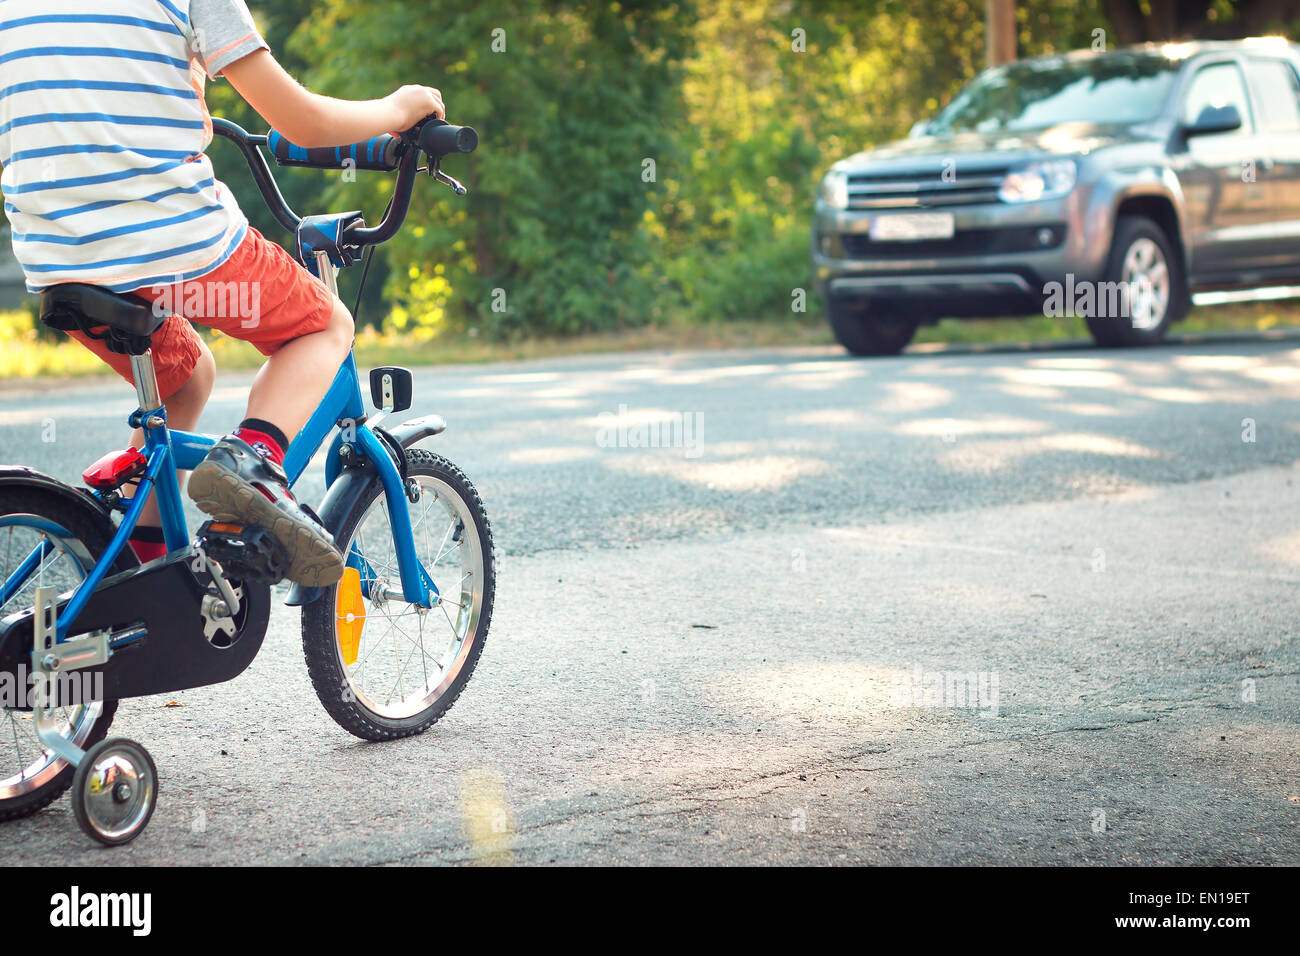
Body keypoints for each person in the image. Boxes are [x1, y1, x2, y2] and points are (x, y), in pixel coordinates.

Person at [0, 0, 442, 586]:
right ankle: (250, 460)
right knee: (324, 326)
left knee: (185, 375)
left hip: (56, 257)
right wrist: (399, 108)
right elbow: (301, 122)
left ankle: (139, 567)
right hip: (177, 245)